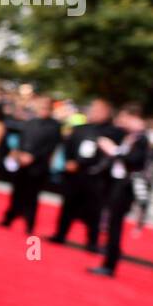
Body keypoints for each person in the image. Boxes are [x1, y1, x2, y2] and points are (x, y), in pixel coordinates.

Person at [89, 104, 149, 278]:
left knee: (115, 226)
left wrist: (113, 151)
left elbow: (134, 160)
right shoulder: (130, 137)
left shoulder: (141, 139)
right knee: (111, 225)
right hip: (118, 184)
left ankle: (110, 265)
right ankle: (108, 261)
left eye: (125, 118)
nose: (121, 122)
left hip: (126, 188)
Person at [52, 98, 114, 251]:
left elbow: (106, 156)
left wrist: (83, 164)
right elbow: (68, 146)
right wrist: (69, 162)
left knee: (93, 210)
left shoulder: (111, 132)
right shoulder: (79, 128)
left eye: (97, 110)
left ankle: (92, 242)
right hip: (74, 175)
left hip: (94, 178)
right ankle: (60, 234)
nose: (92, 112)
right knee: (68, 206)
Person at [1, 94, 61, 235]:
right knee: (16, 193)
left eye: (46, 107)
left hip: (38, 167)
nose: (43, 109)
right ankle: (9, 218)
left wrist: (33, 157)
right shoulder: (31, 122)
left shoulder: (55, 126)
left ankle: (29, 224)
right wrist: (21, 154)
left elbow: (50, 146)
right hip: (22, 164)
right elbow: (22, 139)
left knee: (32, 196)